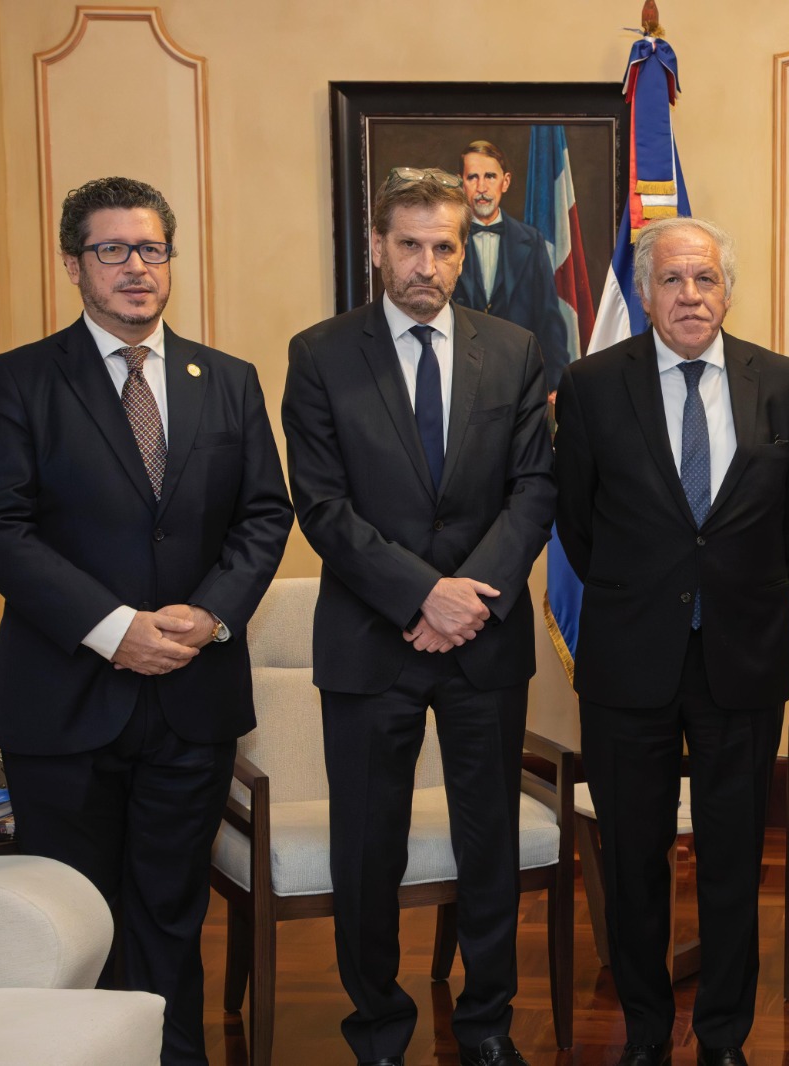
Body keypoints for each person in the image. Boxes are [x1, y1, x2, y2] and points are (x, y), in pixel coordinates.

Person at [0, 176, 293, 1065]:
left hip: (193, 701)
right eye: (112, 250)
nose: (136, 268)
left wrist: (210, 616)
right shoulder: (21, 379)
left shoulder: (227, 379)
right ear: (75, 265)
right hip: (64, 704)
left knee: (171, 913)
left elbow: (266, 515)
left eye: (151, 249)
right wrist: (114, 627)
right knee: (73, 922)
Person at [281, 168, 555, 1066]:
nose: (426, 264)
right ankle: (378, 1031)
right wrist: (418, 595)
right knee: (369, 852)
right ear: (377, 248)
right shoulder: (320, 354)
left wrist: (464, 598)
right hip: (371, 643)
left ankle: (485, 1029)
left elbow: (535, 489)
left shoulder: (513, 351)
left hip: (483, 640)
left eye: (443, 246)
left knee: (489, 850)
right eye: (408, 244)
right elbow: (321, 506)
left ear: (460, 249)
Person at [554, 216, 789, 1066]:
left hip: (741, 657)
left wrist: (735, 596)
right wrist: (651, 598)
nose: (690, 295)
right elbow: (577, 524)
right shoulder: (593, 385)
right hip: (629, 658)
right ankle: (642, 1034)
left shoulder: (784, 383)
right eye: (672, 280)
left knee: (734, 860)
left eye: (705, 279)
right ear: (645, 292)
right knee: (635, 859)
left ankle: (723, 1037)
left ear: (727, 290)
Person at [454, 140, 572, 394]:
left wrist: (556, 384)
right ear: (460, 182)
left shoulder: (531, 240)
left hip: (518, 378)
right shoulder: (447, 240)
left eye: (490, 176)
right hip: (458, 377)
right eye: (473, 177)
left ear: (505, 182)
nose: (482, 187)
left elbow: (548, 317)